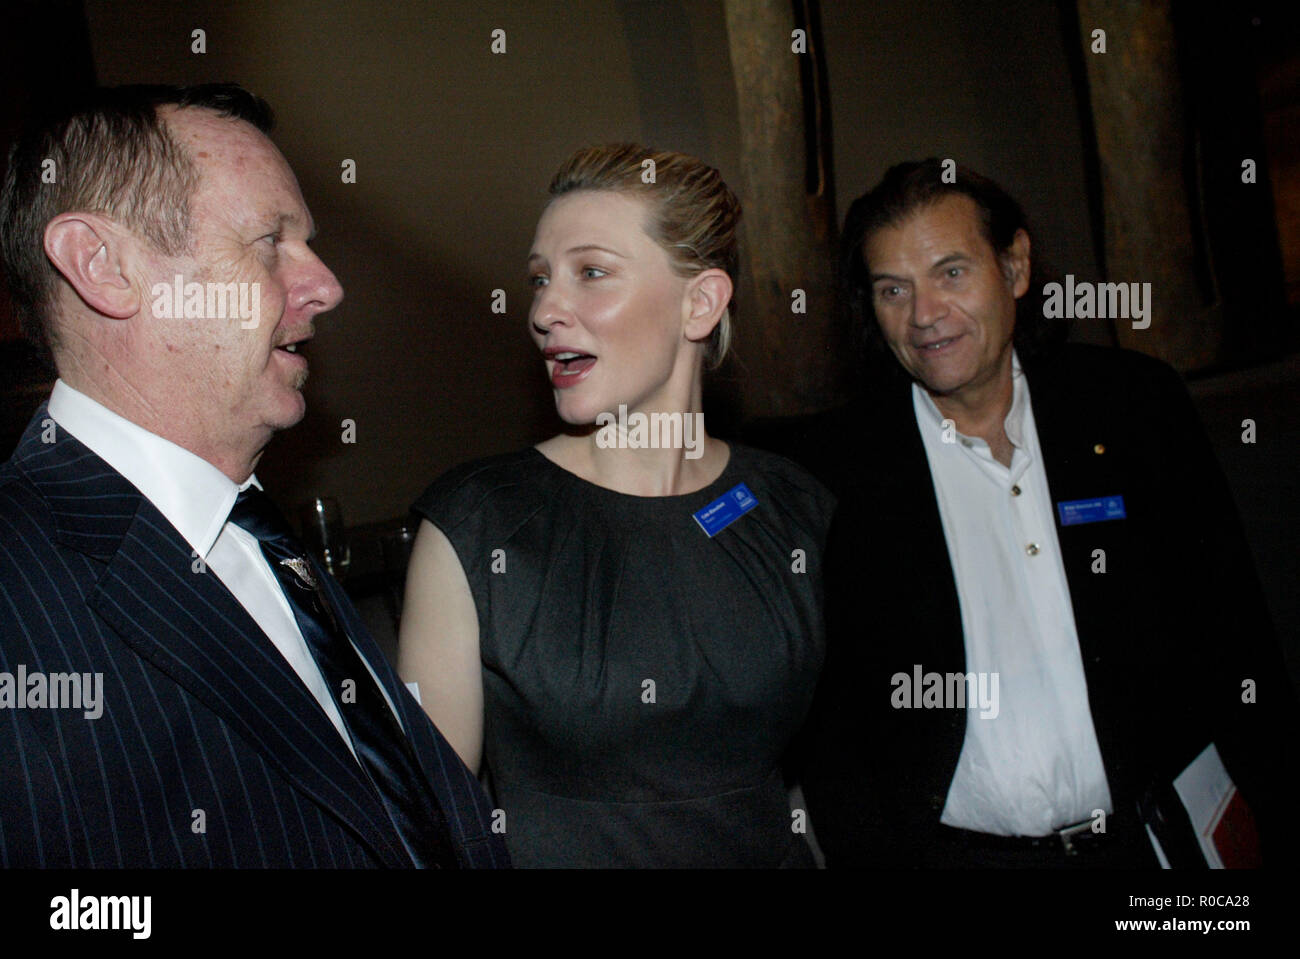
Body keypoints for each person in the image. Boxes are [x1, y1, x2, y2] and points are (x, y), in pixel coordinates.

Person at [0, 83, 507, 868]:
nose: (326, 286)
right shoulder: (17, 586)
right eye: (271, 242)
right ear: (101, 266)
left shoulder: (257, 530)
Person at [772, 158, 1297, 867]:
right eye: (893, 289)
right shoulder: (836, 472)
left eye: (952, 272)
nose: (924, 314)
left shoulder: (1135, 408)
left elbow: (1236, 635)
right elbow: (834, 726)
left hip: (1158, 849)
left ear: (1015, 267)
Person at [398, 143, 834, 867]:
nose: (544, 310)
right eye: (540, 279)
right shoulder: (478, 524)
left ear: (701, 303)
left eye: (591, 272)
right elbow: (435, 826)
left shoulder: (793, 505)